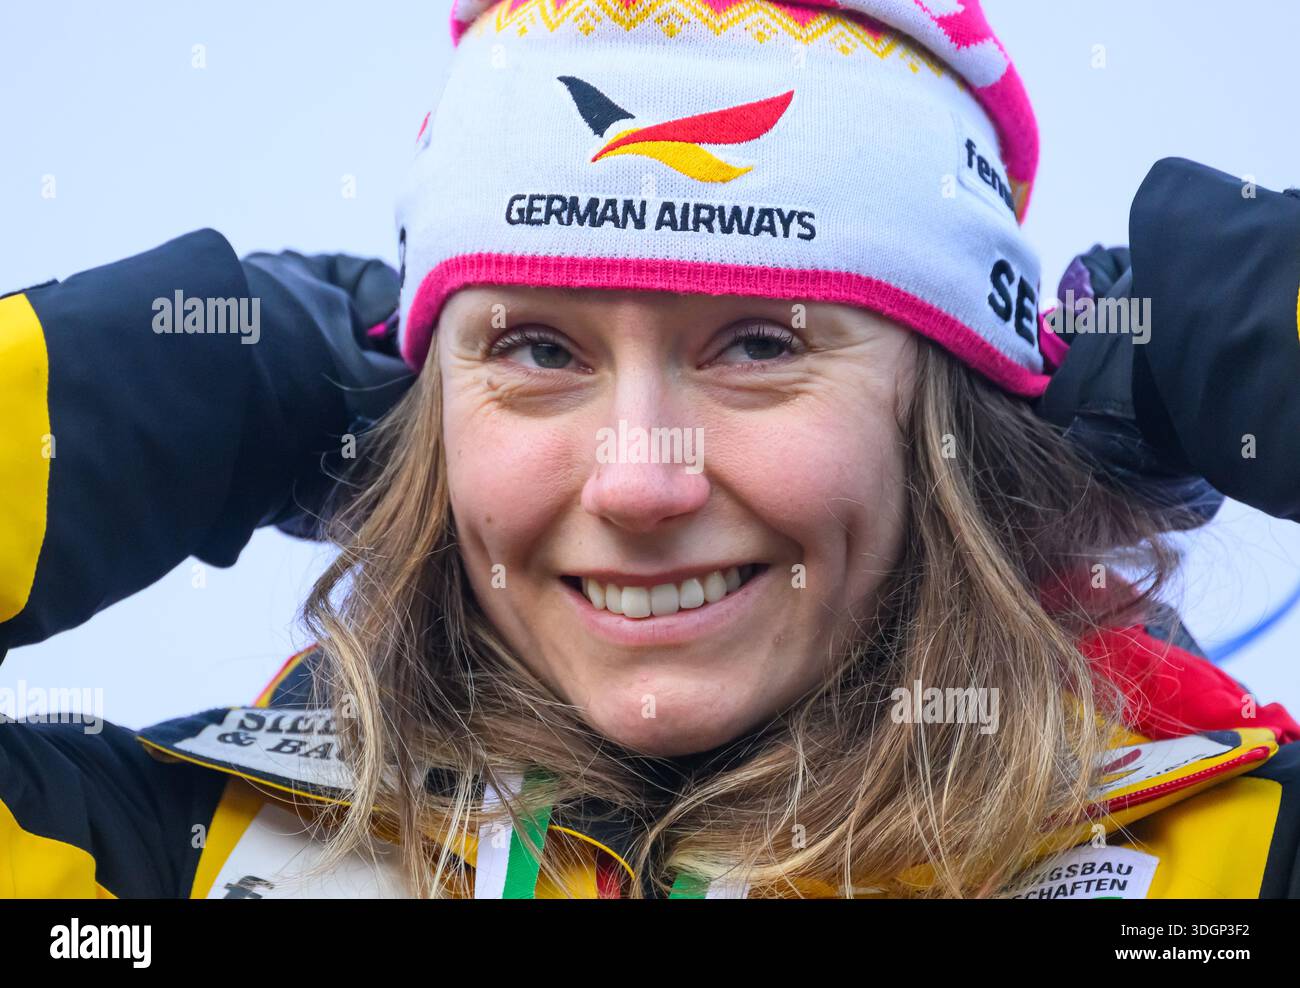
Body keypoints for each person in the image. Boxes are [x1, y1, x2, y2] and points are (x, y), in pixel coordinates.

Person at [1, 0, 1298, 900]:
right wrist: (224, 379)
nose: (637, 481)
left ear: (945, 414)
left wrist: (1213, 328)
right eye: (539, 352)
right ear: (420, 405)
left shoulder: (1231, 866)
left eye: (757, 347)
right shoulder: (177, 857)